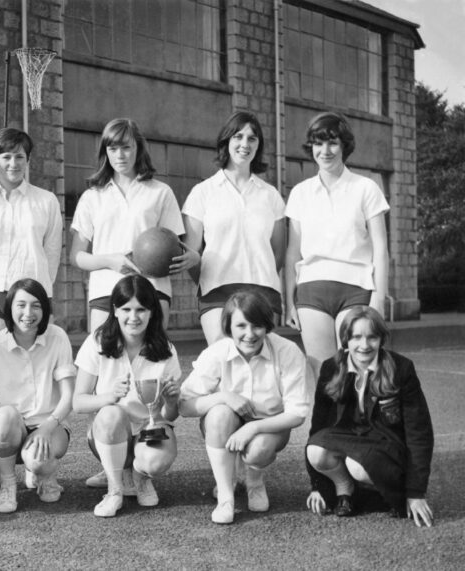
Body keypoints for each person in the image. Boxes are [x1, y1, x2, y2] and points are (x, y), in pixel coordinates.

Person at [179, 291, 311, 524]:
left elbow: (297, 413)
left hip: (271, 427)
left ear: (267, 326)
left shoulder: (287, 351)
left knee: (258, 448)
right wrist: (225, 396)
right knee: (219, 413)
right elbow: (185, 406)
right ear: (229, 327)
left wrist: (253, 428)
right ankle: (226, 497)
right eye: (241, 325)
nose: (249, 334)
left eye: (257, 326)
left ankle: (254, 481)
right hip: (227, 424)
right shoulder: (216, 352)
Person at [305, 306, 434, 527]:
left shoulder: (401, 368)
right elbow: (318, 424)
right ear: (346, 339)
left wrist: (416, 492)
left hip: (385, 443)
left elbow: (419, 432)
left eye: (371, 337)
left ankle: (387, 493)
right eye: (356, 337)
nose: (364, 346)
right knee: (315, 451)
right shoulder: (332, 367)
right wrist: (317, 486)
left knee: (358, 466)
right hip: (349, 437)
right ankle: (344, 488)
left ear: (381, 338)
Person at [285, 112, 389, 373]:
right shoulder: (300, 193)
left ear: (344, 146)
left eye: (332, 142)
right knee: (325, 378)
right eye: (319, 144)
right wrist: (289, 302)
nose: (325, 150)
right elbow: (291, 253)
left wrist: (378, 300)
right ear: (312, 148)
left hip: (356, 289)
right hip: (312, 292)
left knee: (358, 373)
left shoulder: (366, 188)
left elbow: (381, 249)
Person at [70, 117, 193, 335]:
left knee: (152, 362)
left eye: (126, 147)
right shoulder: (92, 197)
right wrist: (111, 260)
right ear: (105, 151)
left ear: (138, 148)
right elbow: (76, 256)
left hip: (152, 289)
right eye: (113, 148)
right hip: (105, 290)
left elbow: (174, 248)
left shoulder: (160, 192)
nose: (120, 155)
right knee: (105, 362)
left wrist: (190, 257)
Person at [73, 275, 182, 517]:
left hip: (150, 429)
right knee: (112, 413)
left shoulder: (165, 349)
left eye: (141, 309)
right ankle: (114, 490)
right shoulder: (98, 342)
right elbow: (78, 402)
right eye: (126, 309)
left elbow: (169, 416)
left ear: (152, 311)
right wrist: (109, 397)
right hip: (109, 432)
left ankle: (140, 477)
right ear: (115, 310)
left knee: (156, 461)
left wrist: (173, 401)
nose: (134, 317)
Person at [0, 279, 75, 513]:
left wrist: (47, 427)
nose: (28, 313)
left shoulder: (58, 338)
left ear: (45, 310)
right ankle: (8, 484)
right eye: (21, 305)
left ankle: (44, 475)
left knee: (39, 461)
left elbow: (68, 397)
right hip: (6, 430)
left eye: (36, 305)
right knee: (5, 415)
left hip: (49, 425)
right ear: (9, 308)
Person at [182, 111, 286, 346]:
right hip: (217, 291)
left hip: (262, 292)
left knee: (261, 369)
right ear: (226, 141)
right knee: (222, 363)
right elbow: (191, 253)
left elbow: (278, 253)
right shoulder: (203, 193)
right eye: (238, 137)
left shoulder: (271, 195)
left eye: (252, 138)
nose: (244, 144)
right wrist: (212, 278)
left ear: (258, 145)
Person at [0, 128, 63, 349]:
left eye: (19, 157)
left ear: (29, 159)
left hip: (33, 294)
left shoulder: (47, 201)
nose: (13, 164)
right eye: (6, 157)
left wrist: (39, 288)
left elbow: (52, 252)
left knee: (35, 364)